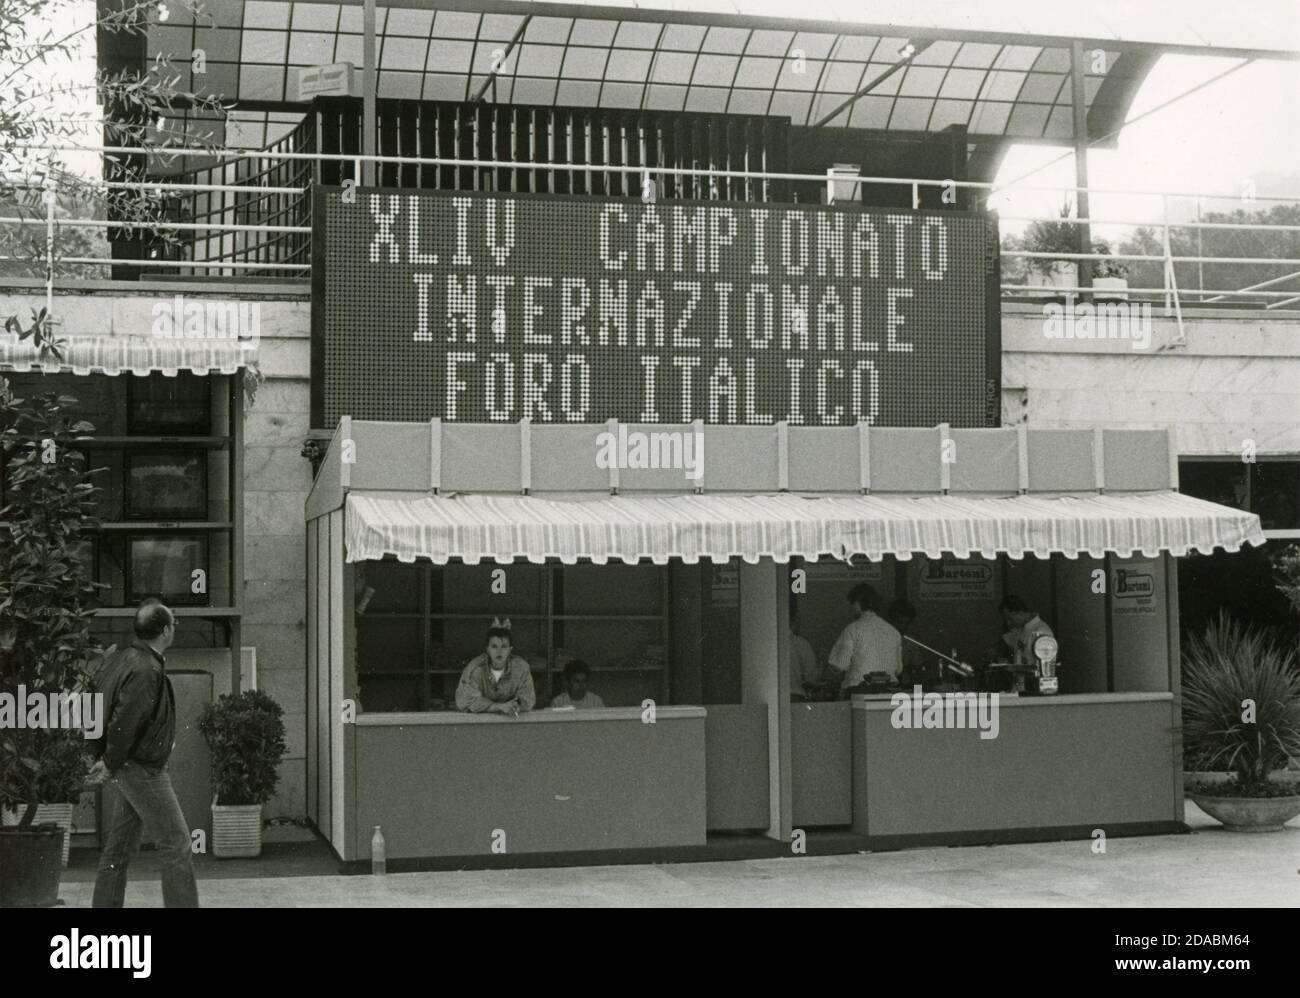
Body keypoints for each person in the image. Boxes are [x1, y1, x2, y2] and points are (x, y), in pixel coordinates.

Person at [89, 599, 199, 908]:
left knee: (118, 849)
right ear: (165, 631)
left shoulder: (126, 659)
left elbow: (104, 708)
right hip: (143, 770)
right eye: (173, 624)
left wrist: (107, 759)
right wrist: (110, 762)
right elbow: (125, 722)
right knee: (176, 844)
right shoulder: (146, 669)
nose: (174, 628)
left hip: (129, 768)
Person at [827, 583, 903, 693]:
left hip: (858, 691)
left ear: (857, 604)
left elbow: (841, 665)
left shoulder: (852, 629)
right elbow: (898, 669)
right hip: (888, 692)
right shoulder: (894, 632)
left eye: (851, 604)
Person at [455, 618, 536, 715]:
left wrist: (514, 705)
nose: (499, 651)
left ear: (510, 649)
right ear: (487, 649)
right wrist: (499, 707)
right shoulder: (475, 668)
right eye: (494, 646)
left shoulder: (521, 668)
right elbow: (464, 701)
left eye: (504, 646)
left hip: (511, 719)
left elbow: (528, 699)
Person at [999, 595, 1056, 668]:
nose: (1008, 623)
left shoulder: (1042, 632)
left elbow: (1046, 667)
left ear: (1020, 612)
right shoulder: (1020, 630)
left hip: (1034, 677)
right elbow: (1006, 642)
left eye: (1010, 619)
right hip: (1019, 676)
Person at [885, 598, 927, 685]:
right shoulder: (880, 639)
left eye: (906, 623)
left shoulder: (910, 641)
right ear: (891, 620)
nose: (902, 627)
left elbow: (918, 665)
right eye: (899, 622)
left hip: (905, 686)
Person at [788, 603, 821, 699]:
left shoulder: (766, 644)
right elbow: (812, 678)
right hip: (795, 696)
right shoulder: (801, 644)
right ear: (796, 619)